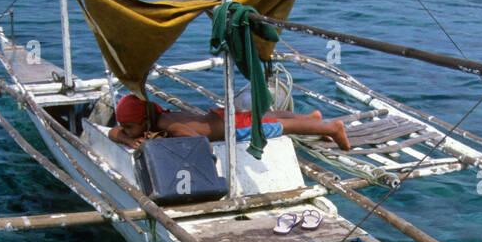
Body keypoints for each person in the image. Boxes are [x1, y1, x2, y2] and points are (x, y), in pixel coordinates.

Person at [107, 94, 350, 151]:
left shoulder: (169, 126)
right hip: (221, 117)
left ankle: (332, 128)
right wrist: (129, 137)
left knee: (279, 126)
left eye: (130, 126)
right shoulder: (160, 117)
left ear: (144, 120)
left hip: (236, 129)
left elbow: (201, 142)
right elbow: (113, 132)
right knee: (270, 116)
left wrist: (158, 144)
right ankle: (312, 119)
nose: (126, 131)